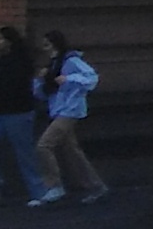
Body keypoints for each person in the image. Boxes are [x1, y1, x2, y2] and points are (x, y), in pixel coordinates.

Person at [0, 24, 58, 207]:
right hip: (0, 112)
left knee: (24, 152)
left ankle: (39, 191)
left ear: (9, 41)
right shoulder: (4, 60)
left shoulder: (19, 62)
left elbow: (7, 88)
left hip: (18, 113)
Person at [35, 29, 110, 204]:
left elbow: (91, 78)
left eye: (48, 43)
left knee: (43, 145)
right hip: (59, 110)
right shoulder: (52, 64)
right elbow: (44, 93)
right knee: (72, 152)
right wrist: (40, 81)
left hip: (70, 110)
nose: (45, 47)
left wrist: (68, 79)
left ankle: (54, 186)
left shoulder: (71, 61)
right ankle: (95, 185)